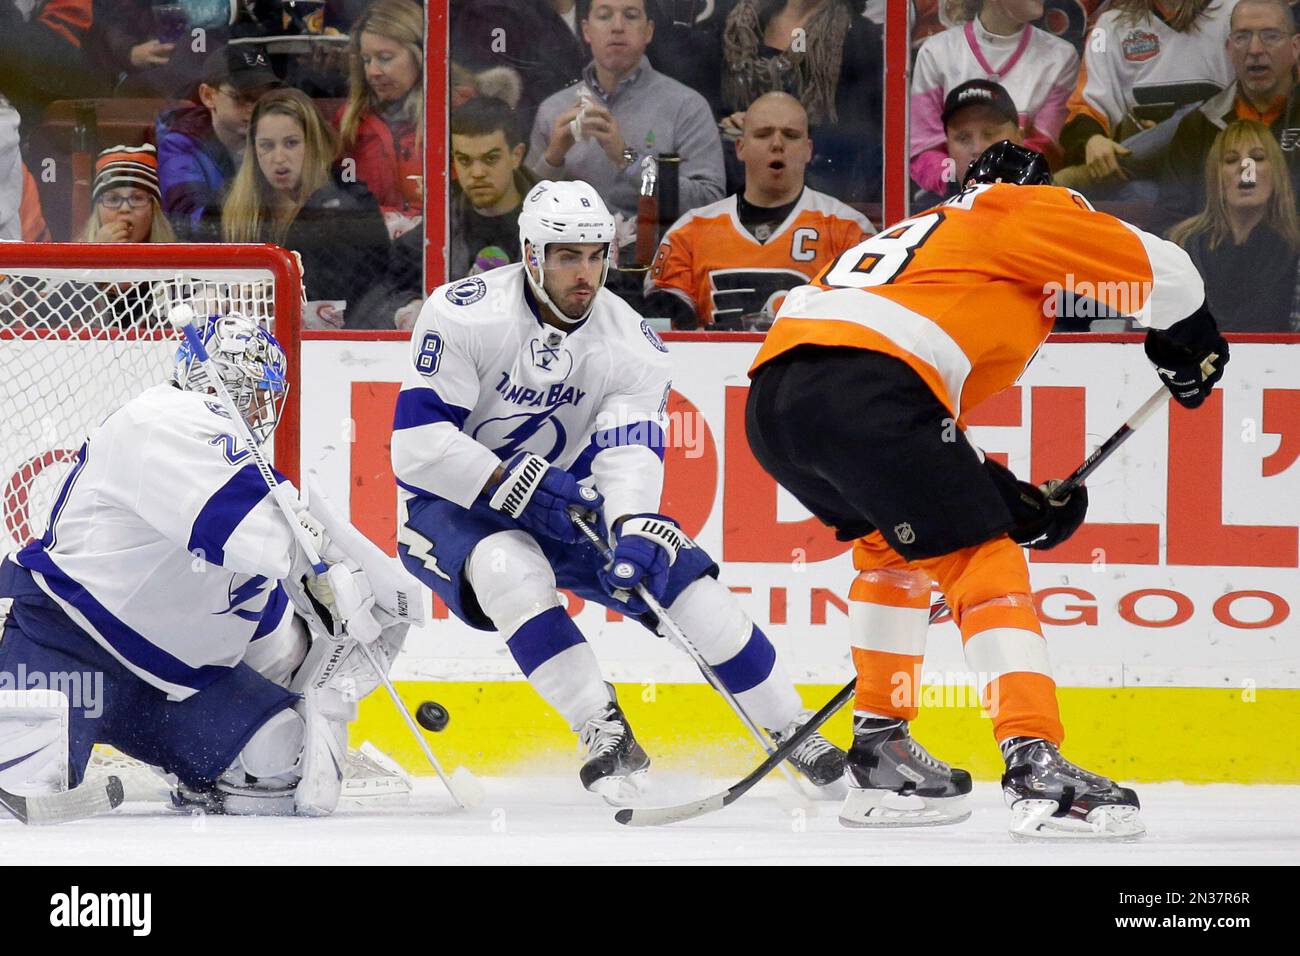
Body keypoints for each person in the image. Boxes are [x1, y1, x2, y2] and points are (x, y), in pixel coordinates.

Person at [744, 141, 1229, 839]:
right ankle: (1035, 763)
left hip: (778, 402)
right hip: (867, 390)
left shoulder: (930, 240)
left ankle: (882, 753)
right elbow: (1172, 278)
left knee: (893, 550)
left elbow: (918, 435)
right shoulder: (1011, 206)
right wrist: (1187, 336)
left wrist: (1009, 497)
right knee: (984, 559)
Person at [392, 179, 846, 800]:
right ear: (531, 254)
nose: (587, 272)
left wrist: (632, 523)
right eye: (567, 256)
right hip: (455, 508)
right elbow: (416, 447)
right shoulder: (463, 312)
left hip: (567, 499)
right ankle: (600, 726)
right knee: (507, 566)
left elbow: (627, 450)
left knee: (684, 585)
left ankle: (792, 727)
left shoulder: (630, 339)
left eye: (597, 254)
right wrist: (510, 482)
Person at [0, 313, 424, 815]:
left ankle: (183, 768)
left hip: (171, 689)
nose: (258, 406)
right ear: (207, 379)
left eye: (264, 394)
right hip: (70, 647)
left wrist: (329, 660)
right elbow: (253, 533)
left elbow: (261, 636)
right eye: (246, 389)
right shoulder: (163, 418)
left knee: (278, 762)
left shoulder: (253, 479)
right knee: (23, 782)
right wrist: (333, 569)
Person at [644, 91, 873, 329]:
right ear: (740, 148)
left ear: (808, 150)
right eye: (763, 134)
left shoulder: (849, 230)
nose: (777, 144)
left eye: (791, 135)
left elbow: (865, 320)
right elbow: (665, 326)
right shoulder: (689, 232)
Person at [528, 0, 725, 224]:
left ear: (648, 31)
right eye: (604, 16)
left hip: (657, 253)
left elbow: (710, 204)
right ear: (586, 31)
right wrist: (552, 159)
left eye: (630, 16)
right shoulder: (554, 110)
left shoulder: (687, 107)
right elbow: (524, 210)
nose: (617, 26)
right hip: (572, 252)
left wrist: (628, 159)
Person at [223, 88, 393, 327]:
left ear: (314, 143)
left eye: (291, 143)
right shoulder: (239, 212)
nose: (279, 157)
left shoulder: (349, 208)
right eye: (266, 146)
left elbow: (357, 296)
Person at [1058, 0, 1236, 195]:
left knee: (1193, 118)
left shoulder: (1235, 12)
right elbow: (1086, 106)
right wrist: (1092, 139)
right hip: (1149, 174)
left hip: (1221, 158)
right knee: (1137, 193)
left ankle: (1069, 183)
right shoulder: (1110, 26)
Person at [719, 0, 884, 202]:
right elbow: (706, 101)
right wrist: (732, 123)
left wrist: (776, 126)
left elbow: (859, 129)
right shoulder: (734, 23)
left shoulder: (860, 38)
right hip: (733, 178)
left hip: (819, 181)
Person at [1156, 0, 1300, 232]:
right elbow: (1169, 223)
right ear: (1229, 49)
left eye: (1270, 36)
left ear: (1296, 47)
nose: (1255, 50)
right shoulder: (1199, 125)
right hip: (1214, 260)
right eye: (1242, 37)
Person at [910, 0, 1078, 197]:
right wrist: (958, 186)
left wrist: (1002, 183)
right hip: (946, 202)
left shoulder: (1061, 57)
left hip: (1025, 199)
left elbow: (1047, 146)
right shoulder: (936, 53)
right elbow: (924, 150)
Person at [1170, 120, 1300, 331]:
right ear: (1215, 177)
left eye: (1257, 158)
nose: (1245, 167)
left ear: (1277, 173)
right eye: (1231, 160)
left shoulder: (1295, 247)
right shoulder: (1182, 244)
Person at [158, 45, 282, 242]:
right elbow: (188, 223)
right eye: (241, 98)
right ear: (208, 96)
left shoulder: (279, 140)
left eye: (263, 100)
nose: (254, 109)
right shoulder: (181, 146)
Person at [335, 0, 425, 227]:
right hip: (371, 252)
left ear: (420, 54)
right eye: (366, 60)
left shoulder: (453, 114)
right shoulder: (348, 121)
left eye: (385, 58)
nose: (373, 71)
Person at [450, 96, 539, 280]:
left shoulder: (556, 222)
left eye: (490, 158)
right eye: (464, 160)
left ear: (516, 155)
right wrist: (412, 302)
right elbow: (391, 286)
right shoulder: (441, 223)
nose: (477, 173)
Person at [912, 79, 1026, 207]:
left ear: (1019, 140)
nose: (977, 149)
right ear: (948, 148)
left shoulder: (1049, 208)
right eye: (963, 138)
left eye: (990, 134)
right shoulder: (923, 218)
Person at [79, 144, 177, 244]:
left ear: (153, 209)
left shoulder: (176, 258)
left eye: (137, 198)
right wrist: (97, 253)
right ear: (98, 209)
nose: (125, 208)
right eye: (113, 199)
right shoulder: (74, 257)